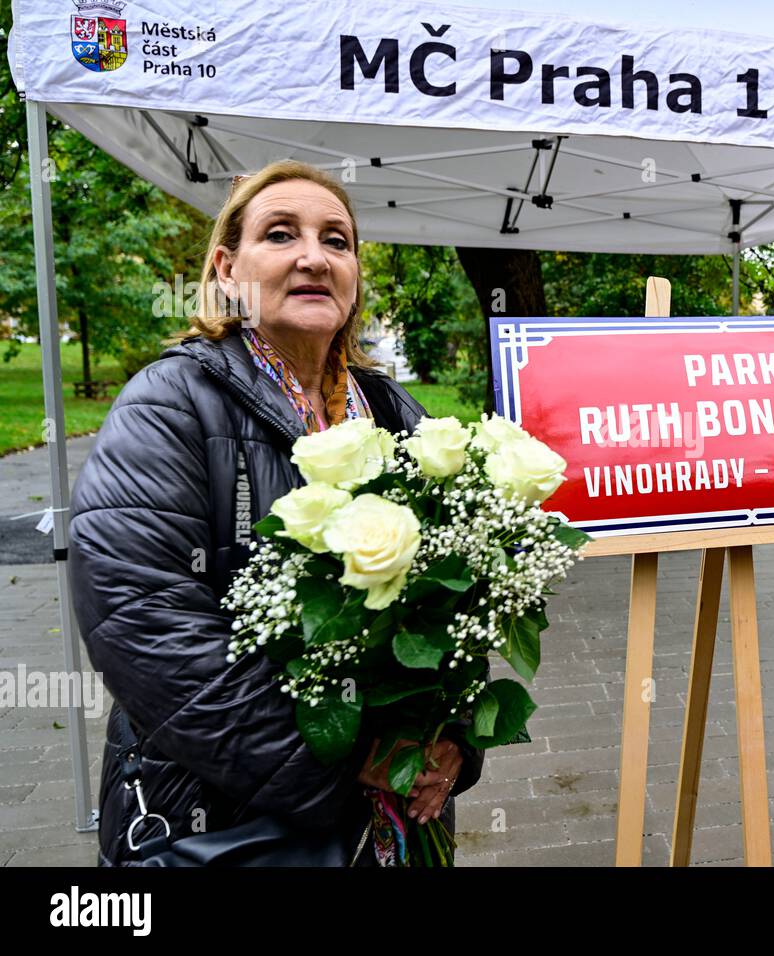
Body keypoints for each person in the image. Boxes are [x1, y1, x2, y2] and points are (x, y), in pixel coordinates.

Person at [68, 160, 483, 866]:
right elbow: (141, 620)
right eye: (282, 234)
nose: (314, 258)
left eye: (337, 241)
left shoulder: (392, 410)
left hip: (390, 820)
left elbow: (461, 590)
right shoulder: (170, 403)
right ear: (228, 269)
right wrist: (339, 759)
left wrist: (451, 739)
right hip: (217, 822)